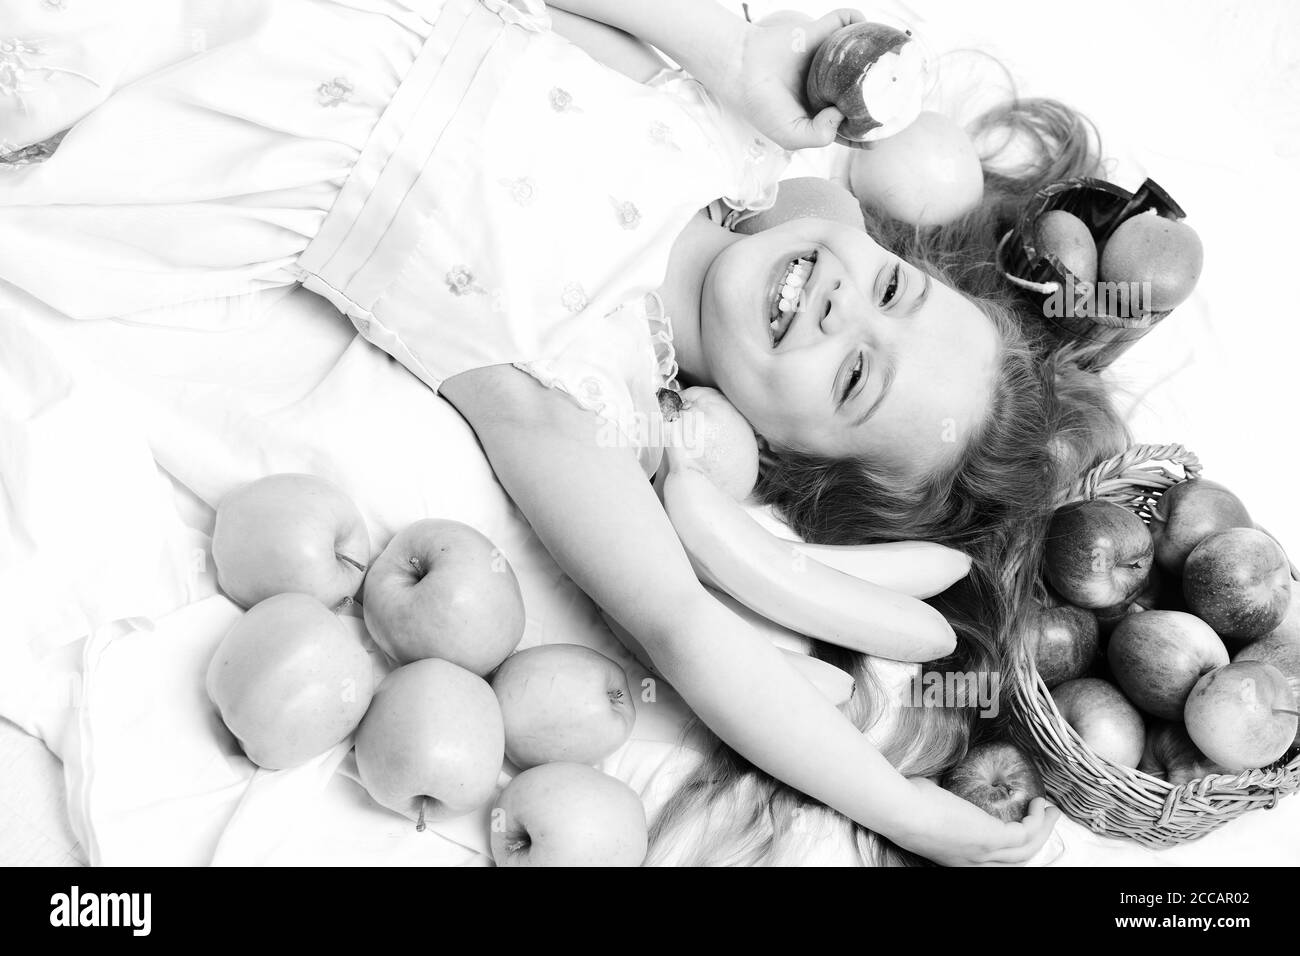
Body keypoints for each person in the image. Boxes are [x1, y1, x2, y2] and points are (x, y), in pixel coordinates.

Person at [0, 0, 1130, 865]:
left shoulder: (580, 393)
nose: (845, 310)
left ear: (774, 449)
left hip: (203, 137)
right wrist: (741, 57)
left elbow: (685, 626)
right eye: (890, 292)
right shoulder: (724, 128)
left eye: (849, 379)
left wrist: (899, 806)